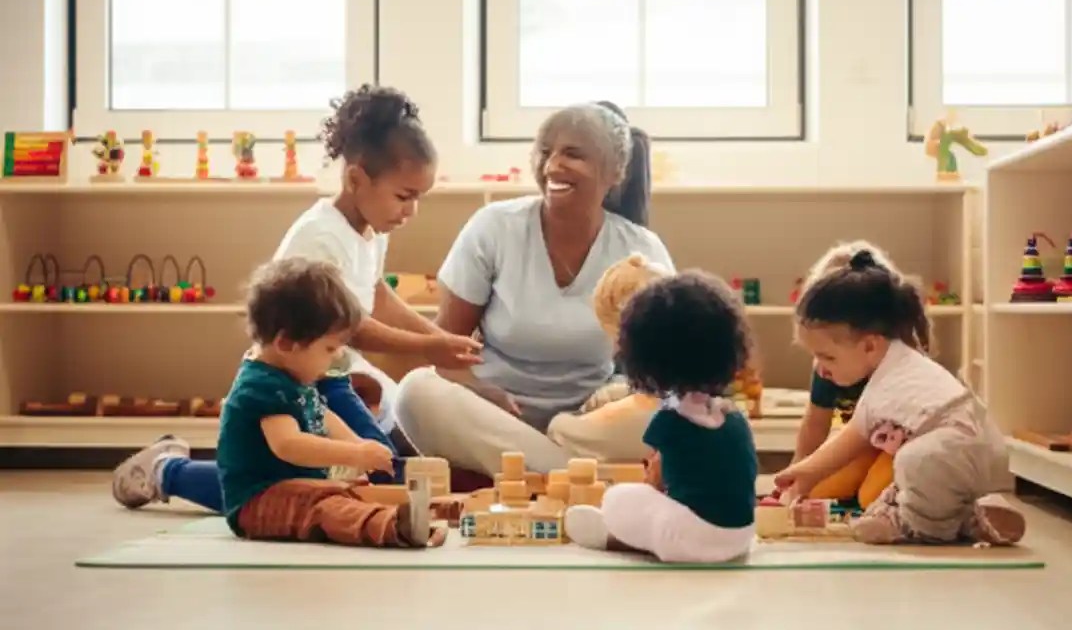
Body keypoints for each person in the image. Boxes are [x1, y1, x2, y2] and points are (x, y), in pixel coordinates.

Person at [111, 84, 481, 513]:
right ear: (356, 178)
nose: (411, 211)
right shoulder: (320, 236)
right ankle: (165, 471)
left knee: (354, 473)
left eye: (419, 198)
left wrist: (437, 337)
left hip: (331, 374)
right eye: (404, 196)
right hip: (300, 376)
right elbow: (353, 326)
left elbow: (376, 295)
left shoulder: (370, 231)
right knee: (306, 482)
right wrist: (431, 347)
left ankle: (170, 471)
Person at [394, 102, 673, 475]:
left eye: (572, 154)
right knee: (416, 391)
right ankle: (571, 472)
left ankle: (541, 464)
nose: (553, 165)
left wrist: (615, 397)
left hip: (587, 425)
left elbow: (665, 369)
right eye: (545, 152)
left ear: (615, 172)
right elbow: (447, 351)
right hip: (494, 413)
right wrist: (481, 392)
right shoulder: (494, 227)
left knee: (670, 409)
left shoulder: (641, 250)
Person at [773, 245, 1026, 545]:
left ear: (869, 346)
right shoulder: (902, 360)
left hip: (948, 451)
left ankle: (914, 526)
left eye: (828, 357)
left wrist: (805, 473)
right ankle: (975, 519)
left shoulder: (887, 381)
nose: (821, 368)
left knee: (912, 465)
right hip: (983, 452)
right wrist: (803, 474)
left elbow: (848, 442)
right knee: (913, 478)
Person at [217, 258, 446, 548]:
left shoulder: (290, 372)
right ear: (286, 343)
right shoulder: (262, 385)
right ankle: (390, 527)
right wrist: (354, 454)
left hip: (296, 490)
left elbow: (320, 413)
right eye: (329, 347)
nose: (337, 356)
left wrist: (359, 445)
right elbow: (289, 445)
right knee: (324, 507)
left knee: (346, 493)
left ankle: (400, 517)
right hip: (260, 501)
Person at [562, 271, 758, 563]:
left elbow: (656, 481)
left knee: (618, 498)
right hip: (741, 539)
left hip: (689, 539)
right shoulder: (734, 417)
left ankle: (614, 538)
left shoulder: (670, 419)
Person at [788, 242, 901, 509]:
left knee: (872, 496)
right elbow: (816, 424)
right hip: (860, 444)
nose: (821, 365)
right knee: (816, 489)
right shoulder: (829, 366)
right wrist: (799, 468)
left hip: (899, 449)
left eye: (827, 356)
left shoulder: (894, 368)